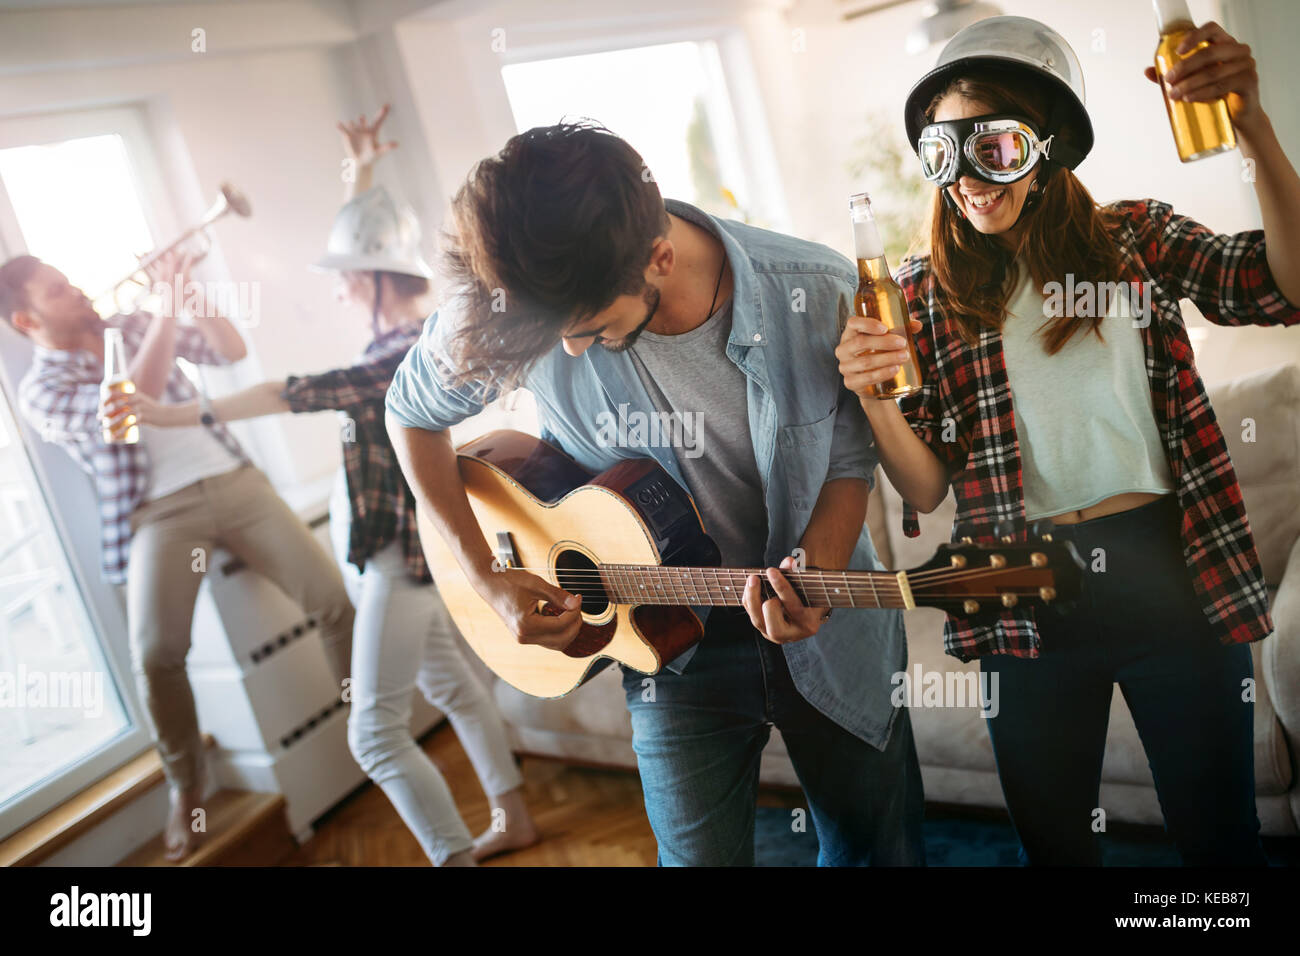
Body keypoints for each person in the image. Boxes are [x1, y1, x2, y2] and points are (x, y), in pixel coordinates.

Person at [383, 121, 925, 866]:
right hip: (664, 641)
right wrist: (486, 575)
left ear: (659, 258)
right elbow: (408, 415)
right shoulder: (523, 305)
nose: (569, 350)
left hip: (830, 630)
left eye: (594, 328)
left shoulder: (814, 289)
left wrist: (816, 576)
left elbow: (846, 463)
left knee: (878, 855)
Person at [837, 15, 1300, 865]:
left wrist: (1252, 127)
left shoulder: (1136, 242)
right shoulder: (921, 296)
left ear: (1048, 148)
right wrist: (873, 400)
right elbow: (928, 487)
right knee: (1053, 848)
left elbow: (1283, 287)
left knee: (1221, 845)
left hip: (1170, 578)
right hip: (1020, 593)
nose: (969, 180)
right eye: (944, 153)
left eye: (997, 150)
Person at [113, 106, 539, 866]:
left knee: (373, 735)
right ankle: (513, 817)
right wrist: (361, 172)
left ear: (374, 281)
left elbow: (289, 391)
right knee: (453, 688)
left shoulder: (399, 355)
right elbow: (364, 243)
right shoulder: (404, 336)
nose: (337, 295)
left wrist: (170, 412)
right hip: (417, 556)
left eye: (347, 282)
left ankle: (451, 858)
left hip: (401, 563)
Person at [0, 251, 354, 861]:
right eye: (57, 290)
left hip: (234, 481)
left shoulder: (134, 321)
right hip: (159, 514)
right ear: (26, 322)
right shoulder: (41, 389)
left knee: (333, 603)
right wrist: (163, 311)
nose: (78, 287)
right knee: (157, 653)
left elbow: (229, 348)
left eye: (69, 276)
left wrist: (189, 295)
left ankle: (365, 721)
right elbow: (134, 403)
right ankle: (185, 786)